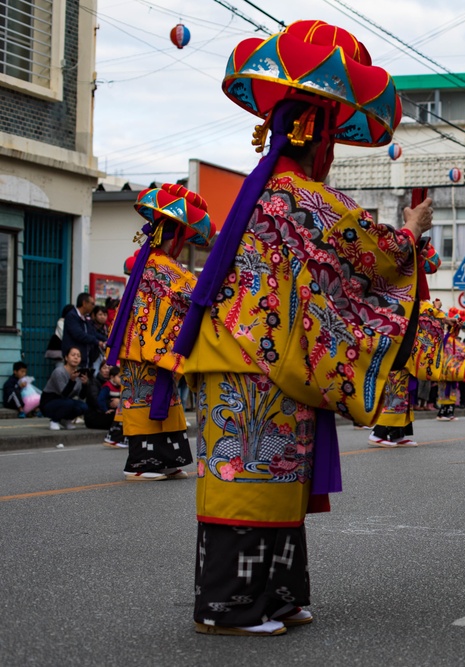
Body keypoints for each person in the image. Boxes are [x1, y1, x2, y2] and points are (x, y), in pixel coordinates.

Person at [163, 21, 429, 636]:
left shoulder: (270, 194)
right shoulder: (299, 197)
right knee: (250, 473)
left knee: (273, 474)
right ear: (314, 133)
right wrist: (412, 228)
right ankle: (229, 606)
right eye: (331, 133)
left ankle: (278, 594)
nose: (333, 150)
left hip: (250, 351)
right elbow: (375, 252)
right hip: (253, 357)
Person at [105, 184, 216, 483]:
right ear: (173, 235)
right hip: (145, 348)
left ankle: (167, 460)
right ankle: (141, 462)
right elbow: (192, 292)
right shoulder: (160, 266)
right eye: (180, 235)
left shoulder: (155, 262)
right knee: (144, 400)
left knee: (164, 401)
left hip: (149, 344)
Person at [369, 241, 442, 448]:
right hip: (397, 336)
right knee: (397, 385)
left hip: (407, 334)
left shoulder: (413, 267)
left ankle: (397, 432)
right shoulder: (402, 264)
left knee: (404, 386)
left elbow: (433, 264)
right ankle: (379, 431)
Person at [40, 347, 88, 430]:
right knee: (69, 403)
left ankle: (66, 420)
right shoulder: (59, 372)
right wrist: (72, 380)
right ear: (66, 357)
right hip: (49, 403)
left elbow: (81, 396)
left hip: (65, 402)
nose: (76, 357)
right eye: (73, 355)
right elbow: (64, 394)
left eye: (78, 356)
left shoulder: (78, 374)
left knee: (83, 406)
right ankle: (54, 421)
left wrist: (85, 384)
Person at [61, 292, 106, 369]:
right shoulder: (72, 316)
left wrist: (106, 340)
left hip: (86, 360)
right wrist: (98, 342)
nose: (93, 306)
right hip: (75, 360)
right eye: (92, 304)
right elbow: (79, 335)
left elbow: (92, 332)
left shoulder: (86, 317)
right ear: (84, 303)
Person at [89, 305, 110, 372]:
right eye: (100, 314)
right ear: (94, 315)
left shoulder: (107, 328)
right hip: (94, 355)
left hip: (105, 355)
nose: (102, 317)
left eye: (105, 315)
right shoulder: (90, 326)